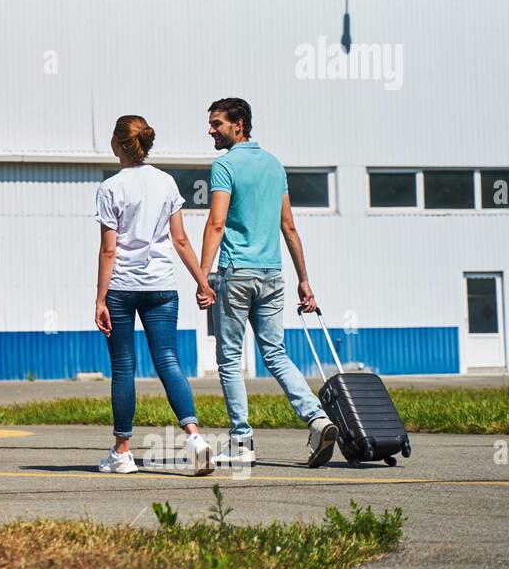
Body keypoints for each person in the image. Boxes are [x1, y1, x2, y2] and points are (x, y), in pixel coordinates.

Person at [197, 97, 338, 468]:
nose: (210, 130)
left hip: (236, 273)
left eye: (217, 124)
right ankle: (318, 418)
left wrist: (202, 276)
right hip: (273, 275)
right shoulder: (275, 166)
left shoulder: (224, 165)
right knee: (275, 353)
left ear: (238, 124)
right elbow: (288, 226)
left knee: (228, 359)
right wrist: (304, 279)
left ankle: (241, 442)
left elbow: (216, 222)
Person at [94, 115, 216, 476]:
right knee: (168, 360)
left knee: (123, 369)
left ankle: (122, 452)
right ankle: (193, 436)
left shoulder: (110, 188)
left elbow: (108, 251)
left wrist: (100, 299)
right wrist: (201, 281)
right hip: (161, 286)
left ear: (117, 144)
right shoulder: (166, 182)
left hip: (121, 289)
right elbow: (180, 240)